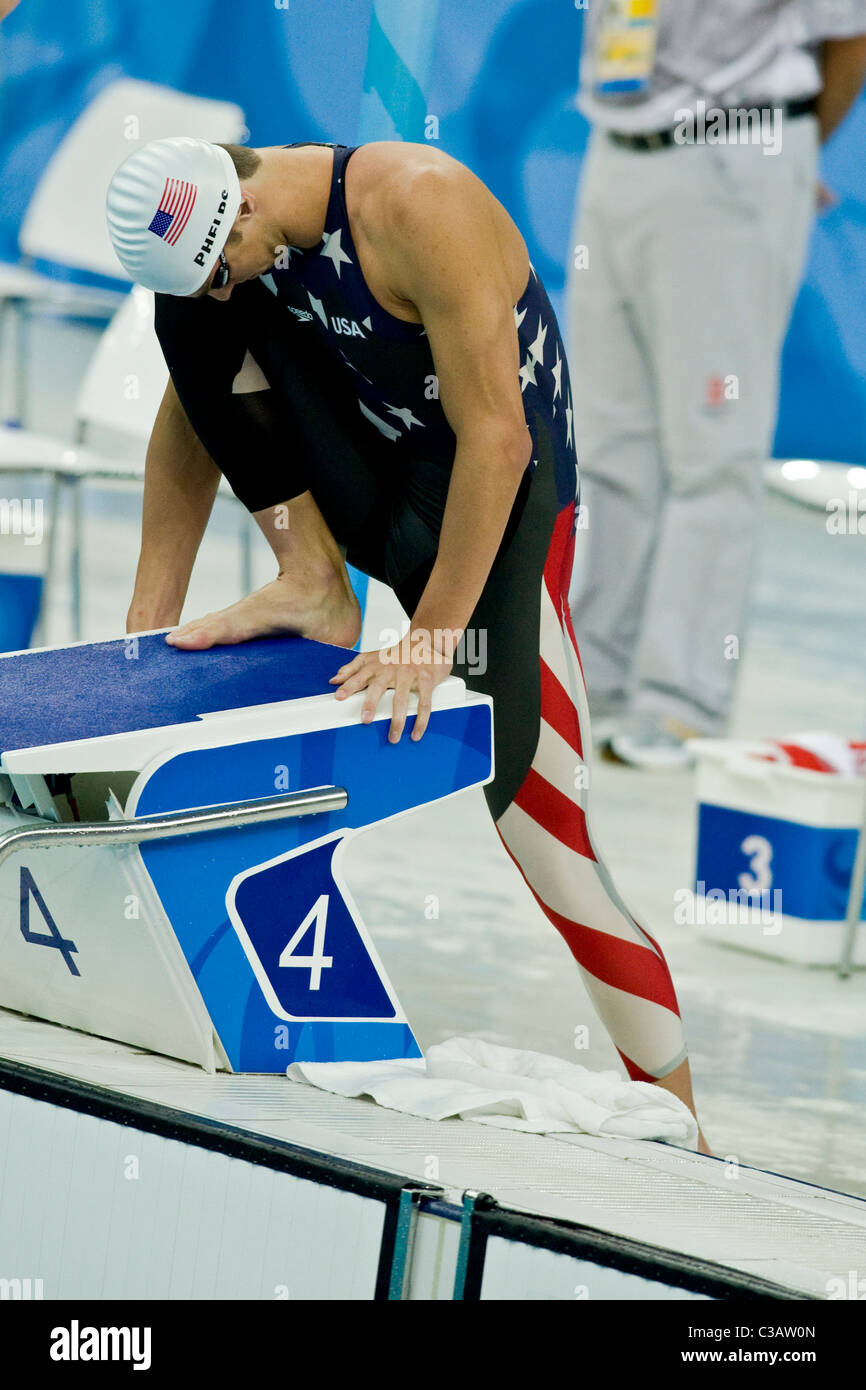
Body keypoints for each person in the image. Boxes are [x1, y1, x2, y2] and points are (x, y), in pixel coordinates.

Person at [107, 134, 710, 1149]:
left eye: (218, 268)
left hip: (494, 516)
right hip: (369, 485)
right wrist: (141, 633)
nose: (220, 292)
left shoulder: (418, 204)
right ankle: (312, 581)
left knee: (543, 837)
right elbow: (195, 411)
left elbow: (501, 440)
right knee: (188, 326)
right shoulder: (234, 251)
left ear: (241, 212)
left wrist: (433, 635)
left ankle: (685, 1124)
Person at [567, 0, 866, 769]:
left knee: (712, 450)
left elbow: (851, 35)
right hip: (613, 147)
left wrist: (781, 159)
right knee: (608, 443)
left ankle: (682, 703)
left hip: (732, 154)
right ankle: (591, 677)